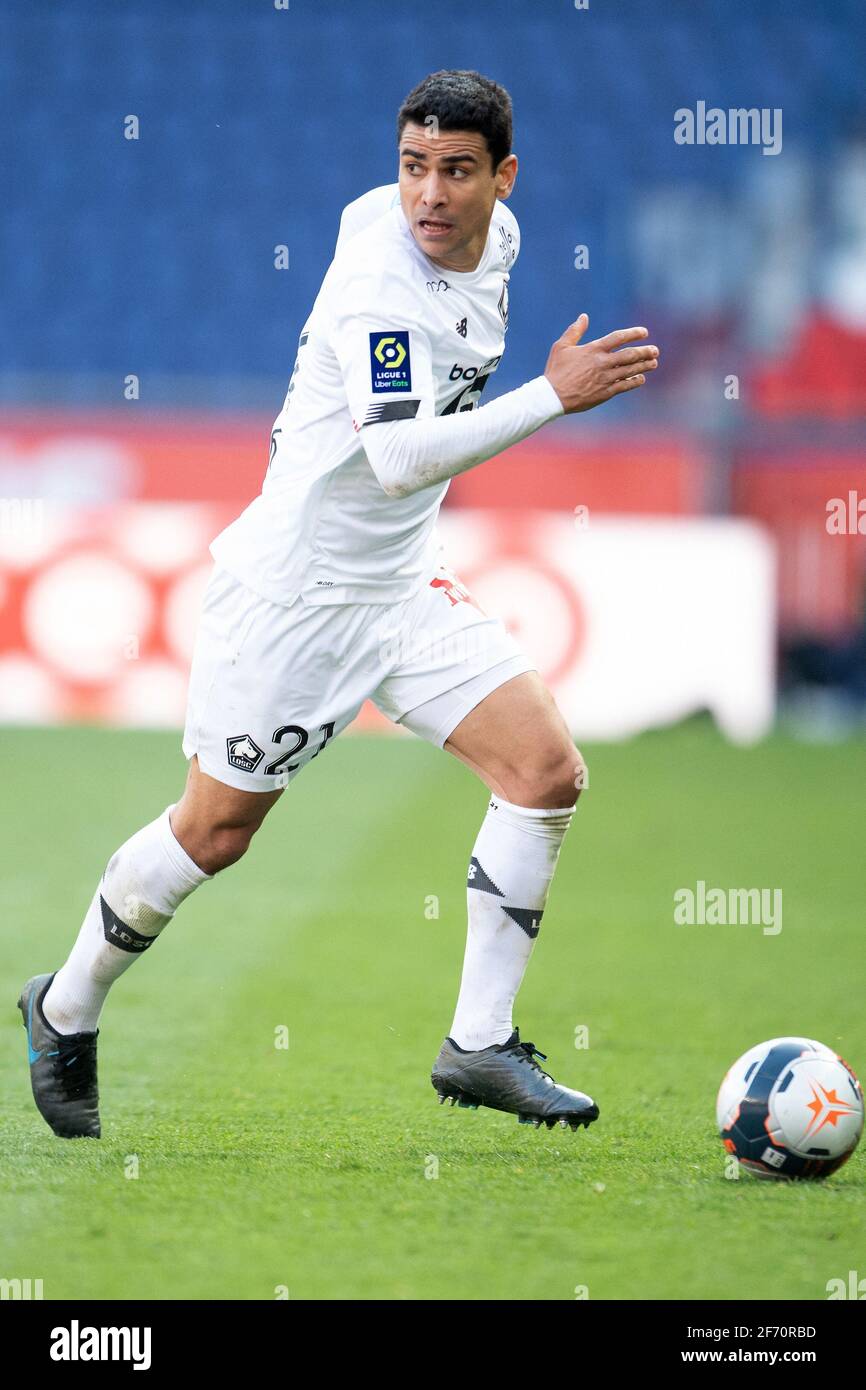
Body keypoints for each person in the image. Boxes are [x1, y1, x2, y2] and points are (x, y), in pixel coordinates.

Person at [19, 69, 659, 1138]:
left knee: (544, 770)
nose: (428, 194)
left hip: (399, 584)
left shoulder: (496, 242)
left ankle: (478, 1044)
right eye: (411, 166)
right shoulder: (378, 281)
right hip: (298, 594)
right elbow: (399, 455)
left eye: (455, 170)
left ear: (504, 177)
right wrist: (553, 395)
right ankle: (65, 1004)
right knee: (214, 833)